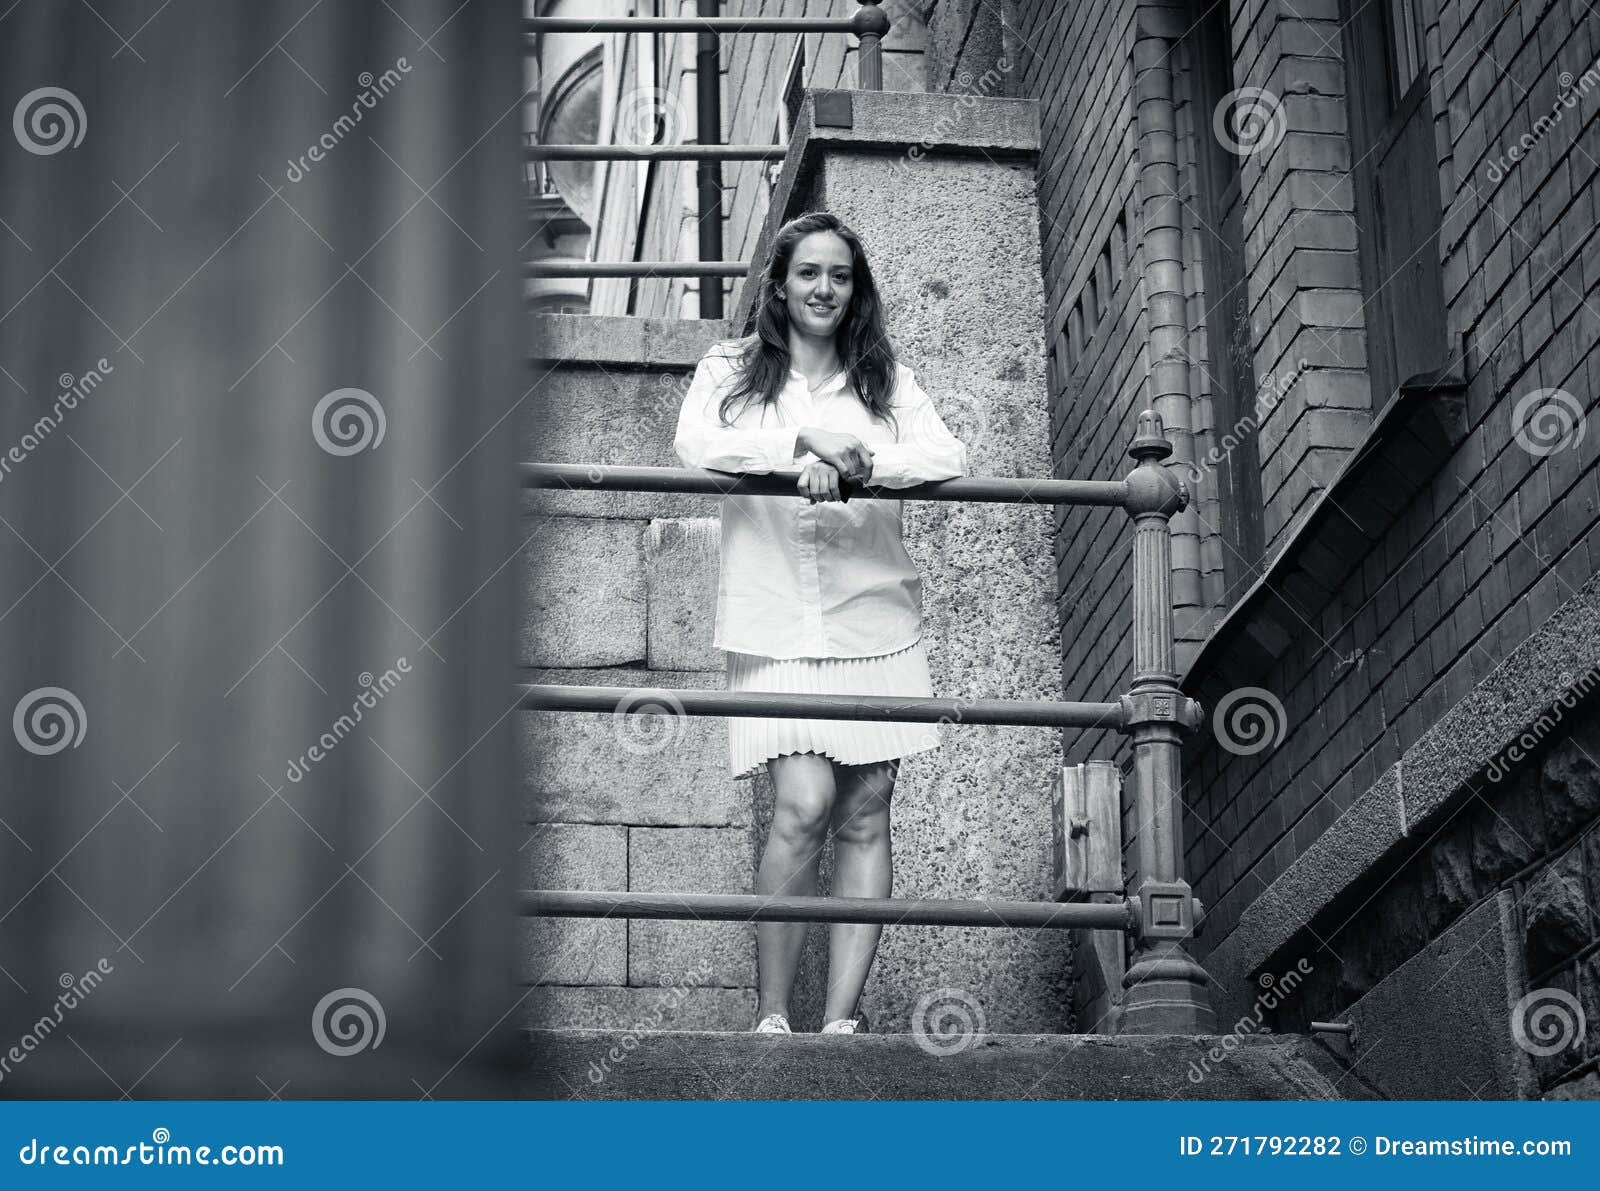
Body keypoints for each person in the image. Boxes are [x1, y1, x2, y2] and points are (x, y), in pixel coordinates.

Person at [672, 210, 969, 1037]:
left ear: (856, 289)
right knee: (800, 803)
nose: (824, 289)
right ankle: (772, 1014)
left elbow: (947, 457)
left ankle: (840, 1021)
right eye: (809, 273)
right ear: (778, 283)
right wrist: (801, 439)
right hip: (775, 623)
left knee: (867, 809)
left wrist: (865, 459)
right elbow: (696, 442)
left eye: (840, 276)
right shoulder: (731, 370)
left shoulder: (885, 381)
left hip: (874, 618)